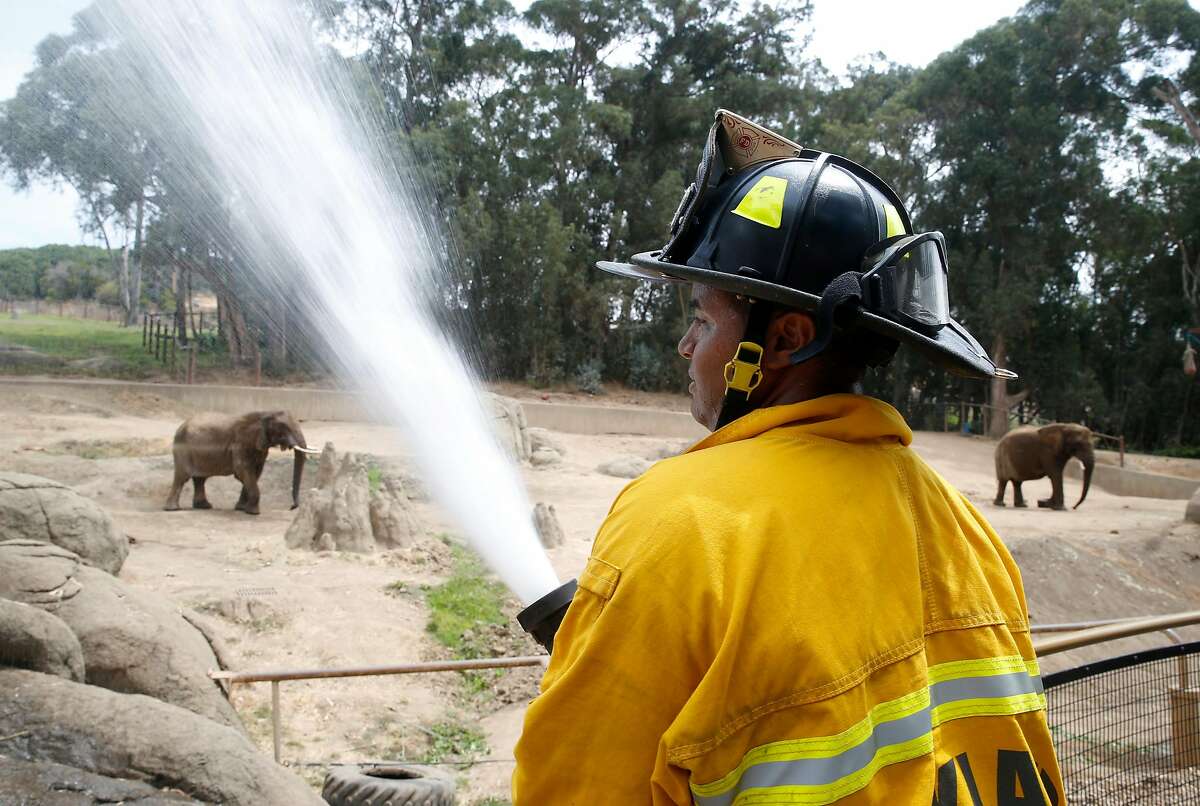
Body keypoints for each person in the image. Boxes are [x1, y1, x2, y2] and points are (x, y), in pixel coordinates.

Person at [512, 110, 1063, 805]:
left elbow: (570, 789)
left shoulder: (681, 522)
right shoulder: (966, 530)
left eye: (705, 320)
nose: (687, 347)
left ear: (783, 340)